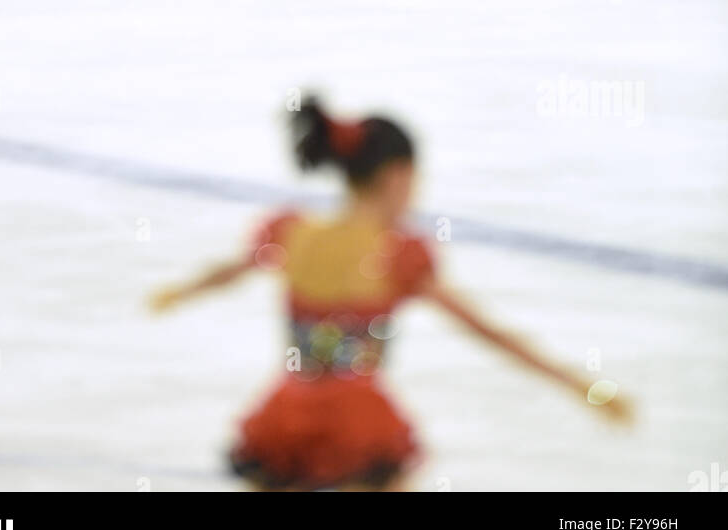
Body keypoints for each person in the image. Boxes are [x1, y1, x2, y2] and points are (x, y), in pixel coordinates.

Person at [148, 96, 632, 492]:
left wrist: (177, 292)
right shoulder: (398, 255)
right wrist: (583, 387)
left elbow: (227, 273)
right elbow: (489, 333)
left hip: (288, 413)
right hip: (361, 418)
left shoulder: (290, 233)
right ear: (397, 175)